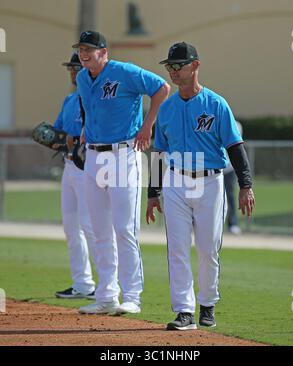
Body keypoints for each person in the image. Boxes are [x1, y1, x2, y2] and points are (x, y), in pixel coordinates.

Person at [146, 42, 255, 330]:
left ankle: (207, 304)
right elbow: (158, 152)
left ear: (195, 65)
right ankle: (184, 311)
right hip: (175, 181)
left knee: (208, 249)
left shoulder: (216, 104)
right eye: (170, 66)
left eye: (178, 65)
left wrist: (246, 185)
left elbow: (234, 145)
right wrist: (152, 193)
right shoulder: (167, 108)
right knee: (177, 249)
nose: (173, 71)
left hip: (210, 182)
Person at [73, 31, 170, 315]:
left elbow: (162, 87)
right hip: (93, 155)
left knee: (125, 229)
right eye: (81, 48)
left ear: (104, 51)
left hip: (123, 154)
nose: (84, 53)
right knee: (98, 229)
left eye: (89, 48)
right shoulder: (81, 78)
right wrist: (85, 127)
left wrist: (148, 125)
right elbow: (87, 105)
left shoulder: (124, 71)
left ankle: (133, 296)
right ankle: (106, 295)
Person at [53, 53, 98, 300]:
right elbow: (59, 132)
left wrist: (74, 138)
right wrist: (55, 138)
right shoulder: (70, 99)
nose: (72, 71)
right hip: (69, 166)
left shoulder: (93, 99)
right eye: (70, 67)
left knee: (90, 225)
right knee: (71, 227)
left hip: (87, 166)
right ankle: (82, 284)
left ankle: (106, 284)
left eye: (76, 67)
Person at [224, 121, 243, 235]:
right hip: (213, 167)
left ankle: (233, 223)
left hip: (228, 167)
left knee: (230, 196)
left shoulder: (236, 125)